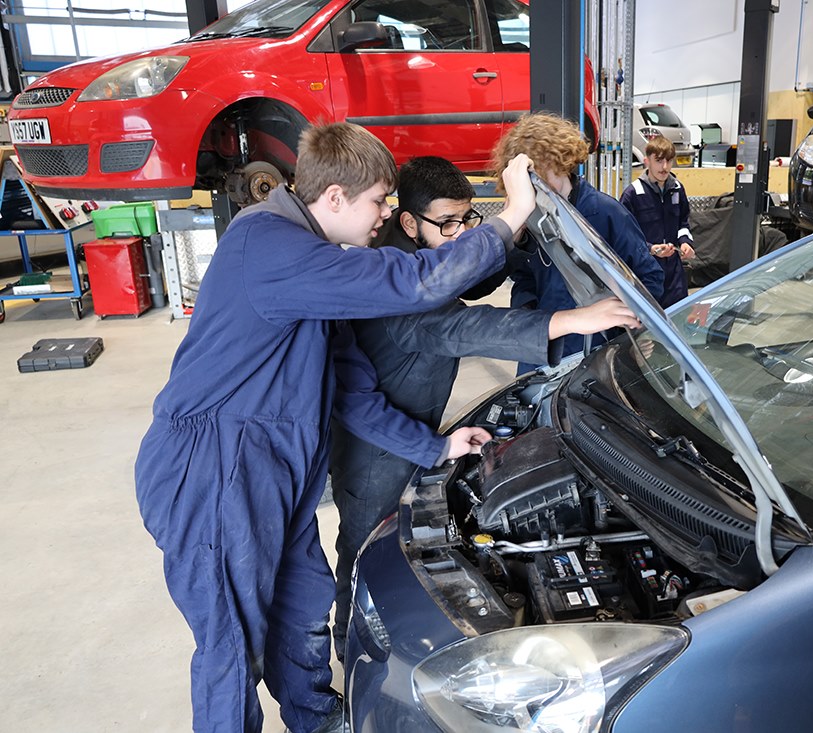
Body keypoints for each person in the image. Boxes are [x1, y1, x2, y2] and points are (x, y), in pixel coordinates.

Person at [133, 122, 537, 733]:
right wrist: (511, 217)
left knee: (301, 606)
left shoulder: (315, 272)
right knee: (232, 642)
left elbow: (350, 388)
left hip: (277, 467)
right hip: (213, 470)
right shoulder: (266, 246)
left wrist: (435, 445)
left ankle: (316, 721)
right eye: (378, 201)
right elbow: (413, 281)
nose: (384, 215)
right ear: (334, 200)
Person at [328, 156, 640, 659]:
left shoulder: (419, 250)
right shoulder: (395, 287)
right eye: (449, 223)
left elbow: (464, 276)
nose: (462, 234)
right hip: (374, 453)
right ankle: (354, 653)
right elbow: (462, 327)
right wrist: (569, 320)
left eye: (468, 220)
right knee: (365, 559)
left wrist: (515, 243)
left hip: (409, 430)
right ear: (410, 222)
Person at [494, 112, 664, 373]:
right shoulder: (530, 215)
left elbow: (648, 278)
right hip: (543, 345)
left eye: (539, 172)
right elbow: (524, 278)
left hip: (597, 351)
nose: (533, 182)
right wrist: (528, 314)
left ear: (562, 162)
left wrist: (631, 335)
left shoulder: (606, 213)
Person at [619, 135, 696, 307]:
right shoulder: (633, 194)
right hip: (646, 272)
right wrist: (651, 249)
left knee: (677, 318)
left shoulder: (677, 189)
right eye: (659, 161)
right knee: (647, 325)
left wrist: (685, 243)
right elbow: (624, 236)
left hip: (674, 275)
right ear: (647, 161)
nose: (665, 167)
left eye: (669, 161)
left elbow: (684, 222)